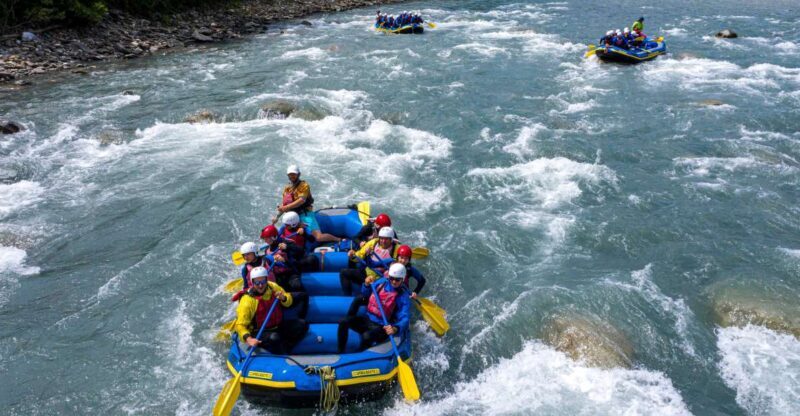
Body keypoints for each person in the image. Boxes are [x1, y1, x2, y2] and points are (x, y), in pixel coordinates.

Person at [337, 263, 411, 353]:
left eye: (397, 279)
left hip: (383, 327)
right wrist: (366, 285)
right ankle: (340, 351)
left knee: (366, 336)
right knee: (343, 321)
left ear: (402, 279)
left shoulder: (402, 296)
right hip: (368, 319)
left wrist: (396, 328)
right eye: (392, 278)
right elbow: (365, 294)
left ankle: (359, 355)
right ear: (389, 276)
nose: (394, 282)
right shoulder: (381, 282)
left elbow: (405, 317)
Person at [234, 267, 308, 354]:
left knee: (302, 324)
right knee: (274, 337)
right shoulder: (247, 301)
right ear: (252, 282)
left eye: (263, 282)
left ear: (266, 280)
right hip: (258, 332)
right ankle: (281, 355)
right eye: (257, 283)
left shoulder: (272, 287)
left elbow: (288, 301)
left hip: (277, 326)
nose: (260, 285)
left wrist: (283, 298)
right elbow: (240, 325)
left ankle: (286, 347)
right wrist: (249, 339)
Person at [276, 165, 341, 243]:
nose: (292, 176)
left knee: (318, 237)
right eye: (290, 174)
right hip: (293, 217)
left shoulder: (304, 185)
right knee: (282, 234)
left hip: (305, 214)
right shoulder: (287, 188)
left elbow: (301, 200)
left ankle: (338, 239)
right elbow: (284, 205)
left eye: (294, 174)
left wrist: (286, 207)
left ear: (298, 174)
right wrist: (277, 217)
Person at [339, 226, 399, 296]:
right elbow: (360, 255)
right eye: (381, 238)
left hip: (382, 279)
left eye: (386, 239)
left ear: (391, 239)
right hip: (367, 273)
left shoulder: (396, 249)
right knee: (344, 273)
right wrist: (352, 256)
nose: (383, 241)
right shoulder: (373, 243)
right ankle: (347, 297)